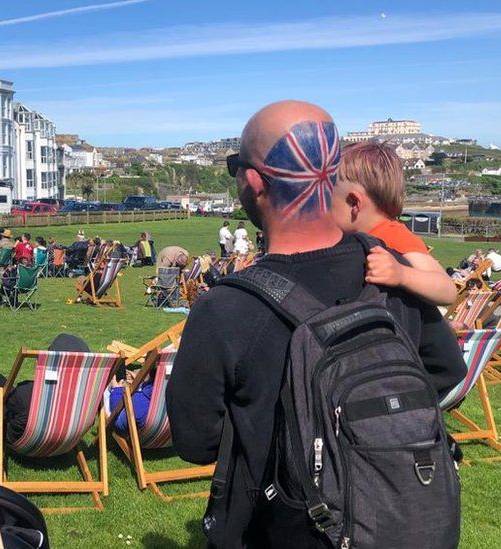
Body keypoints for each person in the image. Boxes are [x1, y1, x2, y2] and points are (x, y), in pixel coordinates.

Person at [166, 100, 465, 547]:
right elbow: (448, 372)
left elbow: (195, 441)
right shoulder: (388, 268)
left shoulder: (225, 308)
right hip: (389, 520)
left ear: (253, 181)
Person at [331, 140, 457, 306]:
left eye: (327, 201)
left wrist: (402, 274)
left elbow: (447, 290)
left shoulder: (392, 234)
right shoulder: (351, 235)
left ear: (354, 203)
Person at [0, 334, 91, 445]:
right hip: (68, 441)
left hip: (25, 442)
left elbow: (8, 408)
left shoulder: (28, 394)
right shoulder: (89, 395)